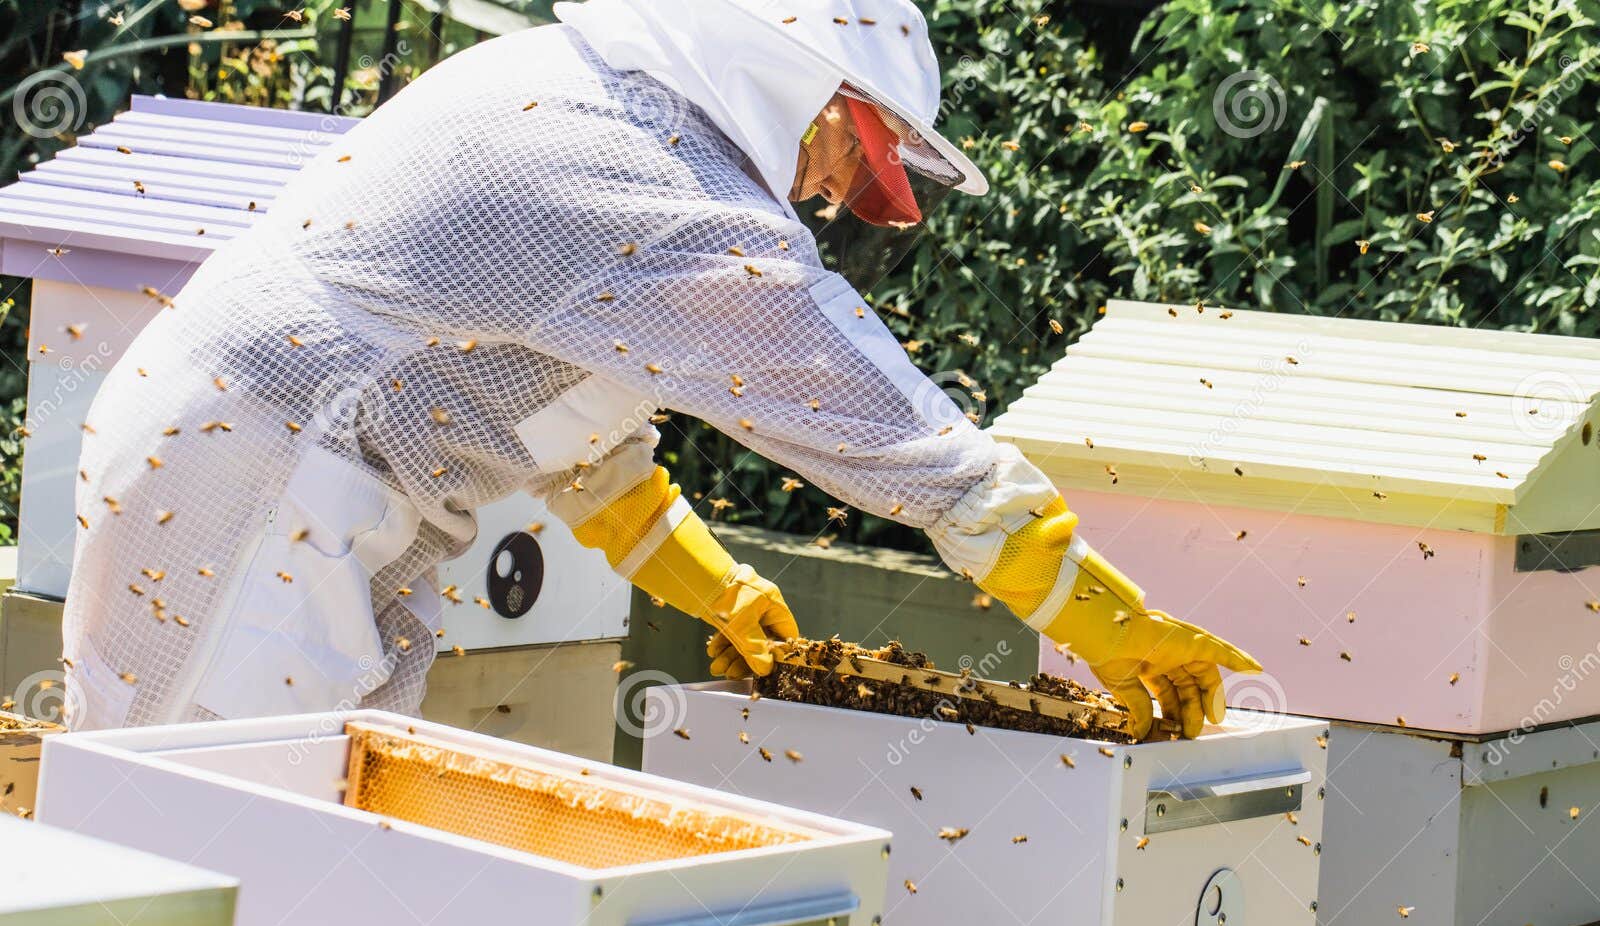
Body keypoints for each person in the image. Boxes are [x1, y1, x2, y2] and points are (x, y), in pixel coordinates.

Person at [62, 0, 1257, 739]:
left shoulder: (603, 112)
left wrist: (711, 586)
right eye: (854, 153)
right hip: (255, 487)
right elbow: (884, 427)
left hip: (296, 486)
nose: (836, 192)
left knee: (298, 831)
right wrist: (1096, 612)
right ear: (797, 82)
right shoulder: (641, 162)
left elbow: (560, 417)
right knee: (199, 851)